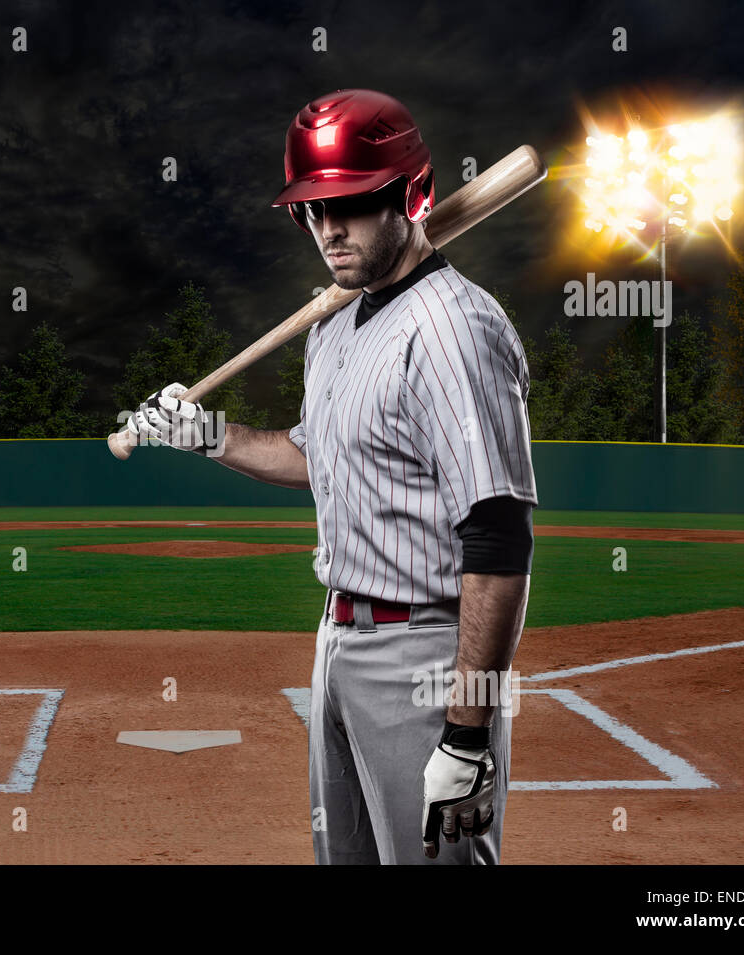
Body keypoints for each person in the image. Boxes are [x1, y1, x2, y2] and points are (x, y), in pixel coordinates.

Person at [125, 89, 537, 865]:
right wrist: (207, 435)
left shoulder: (457, 329)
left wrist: (467, 727)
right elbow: (321, 459)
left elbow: (499, 536)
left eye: (349, 203)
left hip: (424, 655)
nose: (328, 228)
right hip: (338, 644)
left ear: (412, 195)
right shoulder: (336, 323)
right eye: (311, 209)